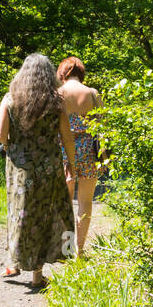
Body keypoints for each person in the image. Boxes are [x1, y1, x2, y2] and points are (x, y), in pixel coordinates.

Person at [0, 55, 78, 289]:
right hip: (48, 167)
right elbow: (67, 137)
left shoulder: (10, 100)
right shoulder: (56, 102)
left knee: (20, 212)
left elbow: (1, 134)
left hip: (20, 168)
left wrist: (12, 143)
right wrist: (71, 163)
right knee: (44, 215)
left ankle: (16, 261)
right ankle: (37, 276)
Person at [56, 56, 103, 257]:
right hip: (88, 151)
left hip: (62, 150)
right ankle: (80, 251)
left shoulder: (57, 94)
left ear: (62, 74)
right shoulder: (92, 94)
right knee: (85, 201)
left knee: (63, 201)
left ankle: (65, 248)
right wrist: (104, 157)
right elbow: (103, 128)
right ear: (81, 74)